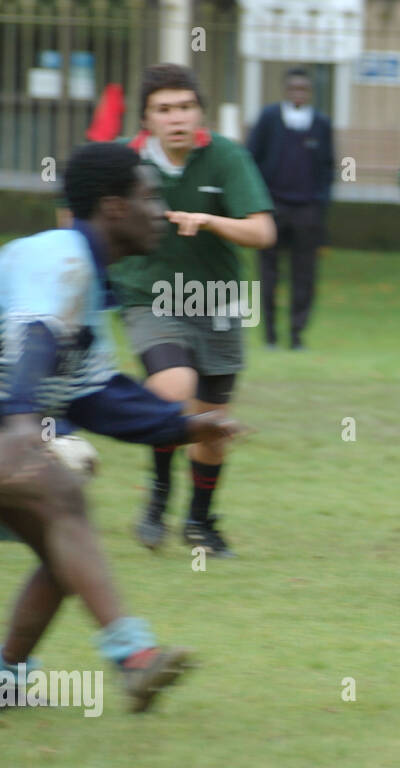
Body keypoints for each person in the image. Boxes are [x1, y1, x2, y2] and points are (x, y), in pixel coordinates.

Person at [0, 142, 242, 712]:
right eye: (149, 196)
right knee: (62, 499)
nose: (160, 210)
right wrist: (20, 425)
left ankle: (7, 675)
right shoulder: (60, 259)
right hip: (8, 423)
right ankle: (133, 657)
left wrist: (193, 425)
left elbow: (100, 396)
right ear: (113, 208)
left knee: (65, 547)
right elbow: (31, 339)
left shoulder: (88, 287)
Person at [112, 63, 275, 558]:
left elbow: (262, 232)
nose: (176, 118)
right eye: (164, 110)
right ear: (146, 120)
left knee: (212, 421)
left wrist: (210, 220)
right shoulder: (124, 162)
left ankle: (200, 521)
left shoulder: (226, 157)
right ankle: (158, 495)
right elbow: (77, 209)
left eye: (185, 107)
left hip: (217, 299)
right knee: (171, 388)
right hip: (151, 296)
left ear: (199, 112)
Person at [247, 66, 335, 351]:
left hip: (306, 210)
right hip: (273, 207)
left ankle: (296, 334)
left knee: (304, 275)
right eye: (293, 88)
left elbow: (328, 166)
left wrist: (320, 201)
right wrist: (258, 202)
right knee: (268, 273)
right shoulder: (270, 118)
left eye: (303, 89)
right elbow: (251, 158)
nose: (298, 93)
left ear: (309, 93)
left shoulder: (320, 123)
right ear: (286, 90)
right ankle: (270, 335)